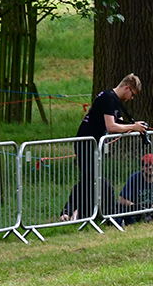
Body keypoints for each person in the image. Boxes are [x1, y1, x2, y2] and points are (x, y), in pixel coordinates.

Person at [61, 74, 146, 222]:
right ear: (127, 88)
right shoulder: (108, 98)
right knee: (89, 180)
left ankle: (83, 213)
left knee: (93, 179)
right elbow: (111, 126)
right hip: (86, 143)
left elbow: (117, 121)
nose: (131, 98)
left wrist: (132, 125)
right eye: (132, 94)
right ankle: (74, 213)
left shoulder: (114, 100)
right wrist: (133, 126)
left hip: (94, 145)